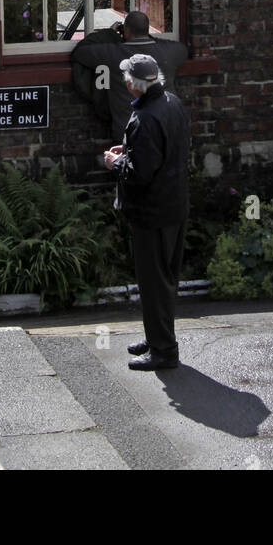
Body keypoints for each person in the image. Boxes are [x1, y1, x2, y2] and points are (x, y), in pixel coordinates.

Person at [104, 53, 190, 371]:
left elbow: (140, 173)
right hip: (174, 205)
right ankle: (156, 337)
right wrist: (128, 150)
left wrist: (117, 162)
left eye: (126, 77)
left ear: (132, 85)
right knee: (164, 277)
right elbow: (165, 152)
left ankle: (164, 350)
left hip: (151, 212)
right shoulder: (171, 103)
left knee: (154, 281)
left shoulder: (144, 118)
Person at [72, 10, 188, 140]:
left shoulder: (112, 53)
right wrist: (150, 39)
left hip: (130, 133)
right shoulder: (169, 52)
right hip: (167, 129)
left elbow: (80, 52)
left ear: (126, 31)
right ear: (147, 30)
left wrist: (109, 33)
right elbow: (183, 49)